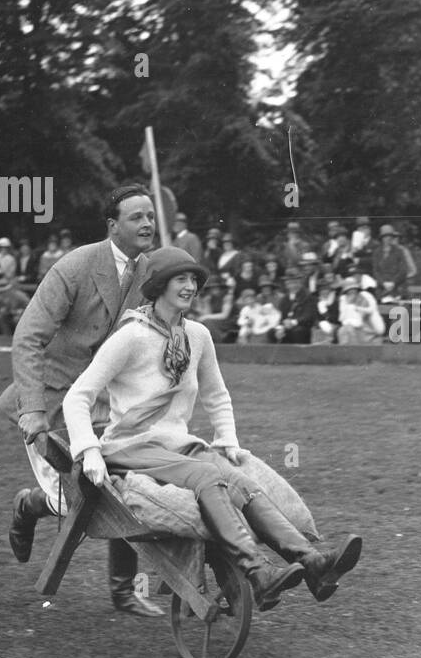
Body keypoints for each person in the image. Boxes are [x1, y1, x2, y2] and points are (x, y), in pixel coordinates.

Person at [63, 246, 362, 610]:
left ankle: (312, 562)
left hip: (178, 444)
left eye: (194, 280)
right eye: (181, 279)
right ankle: (257, 572)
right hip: (131, 446)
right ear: (158, 285)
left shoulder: (199, 336)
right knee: (207, 478)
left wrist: (227, 439)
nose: (190, 287)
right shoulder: (131, 336)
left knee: (243, 484)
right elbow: (77, 395)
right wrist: (88, 448)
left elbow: (217, 394)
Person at [0, 185, 164, 617]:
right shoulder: (74, 266)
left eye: (150, 216)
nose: (147, 223)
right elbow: (28, 337)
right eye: (136, 217)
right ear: (113, 226)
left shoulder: (150, 273)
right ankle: (29, 504)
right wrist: (32, 408)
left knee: (122, 486)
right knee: (74, 502)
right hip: (50, 403)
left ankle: (123, 593)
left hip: (105, 406)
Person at [371, 224, 416, 300]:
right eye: (385, 236)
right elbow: (375, 271)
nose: (388, 238)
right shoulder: (377, 252)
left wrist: (393, 282)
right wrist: (383, 283)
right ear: (382, 238)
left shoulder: (399, 251)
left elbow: (403, 270)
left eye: (390, 236)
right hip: (382, 287)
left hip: (397, 286)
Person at [337, 276, 384, 343]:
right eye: (349, 291)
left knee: (350, 330)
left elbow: (360, 320)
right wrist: (348, 305)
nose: (352, 293)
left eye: (354, 290)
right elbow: (342, 318)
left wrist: (355, 308)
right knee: (342, 331)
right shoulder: (343, 300)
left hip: (368, 329)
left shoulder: (364, 298)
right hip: (351, 327)